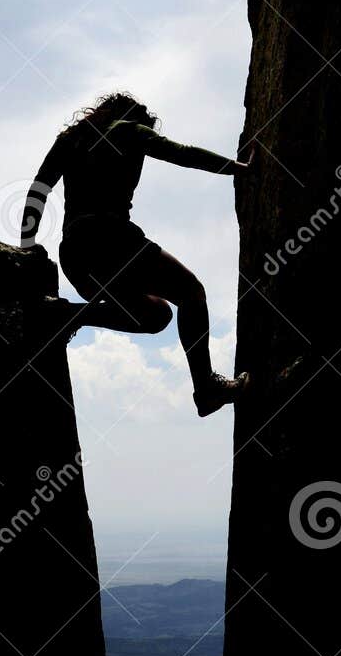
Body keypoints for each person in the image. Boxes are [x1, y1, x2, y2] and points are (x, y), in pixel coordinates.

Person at [21, 92, 252, 417]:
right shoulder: (130, 130)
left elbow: (39, 189)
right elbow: (183, 154)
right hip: (113, 242)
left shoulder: (71, 139)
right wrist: (238, 168)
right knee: (191, 292)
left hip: (76, 257)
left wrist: (26, 245)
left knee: (156, 316)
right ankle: (207, 389)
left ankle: (69, 315)